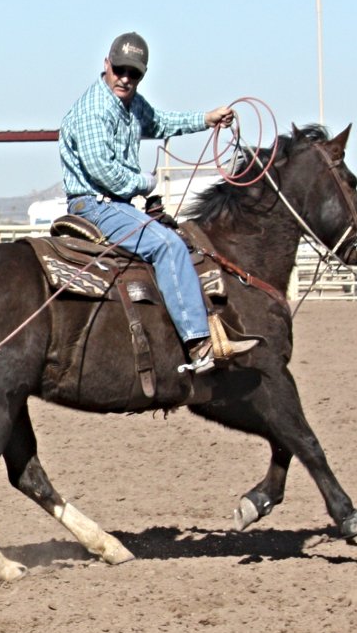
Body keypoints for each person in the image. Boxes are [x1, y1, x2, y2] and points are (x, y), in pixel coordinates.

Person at [57, 32, 256, 376]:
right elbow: (104, 172)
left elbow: (161, 122)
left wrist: (206, 119)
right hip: (96, 205)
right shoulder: (93, 111)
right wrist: (146, 181)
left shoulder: (132, 104)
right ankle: (199, 343)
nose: (125, 78)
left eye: (133, 74)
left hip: (116, 205)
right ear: (106, 65)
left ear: (142, 75)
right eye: (119, 69)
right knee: (168, 245)